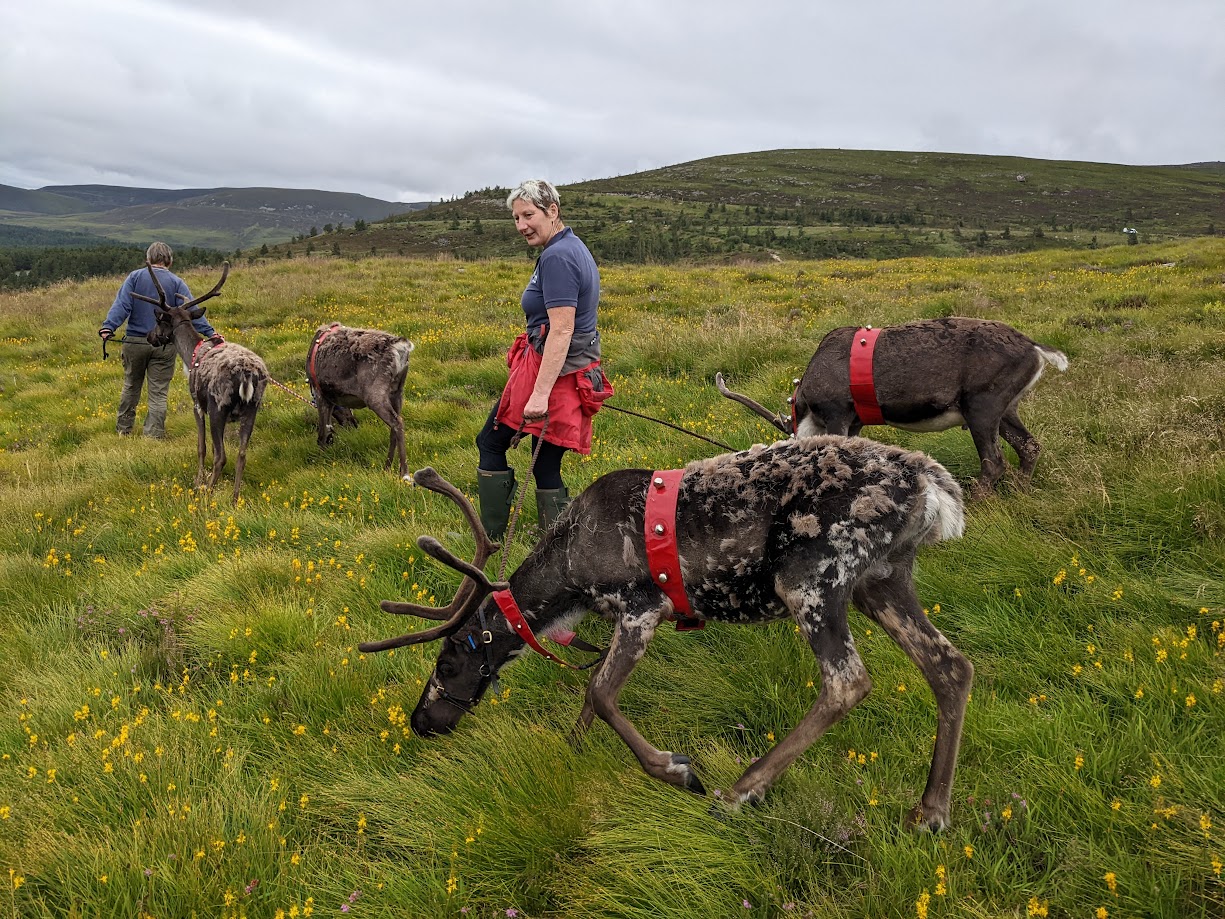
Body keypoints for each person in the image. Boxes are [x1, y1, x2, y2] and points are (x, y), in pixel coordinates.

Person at [475, 179, 613, 538]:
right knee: (546, 463)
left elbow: (562, 330)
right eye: (516, 218)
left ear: (552, 211)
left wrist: (538, 394)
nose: (521, 226)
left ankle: (491, 537)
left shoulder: (557, 257)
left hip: (551, 373)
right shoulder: (570, 246)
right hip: (571, 369)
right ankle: (556, 547)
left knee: (490, 443)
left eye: (528, 215)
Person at [99, 242, 221, 438]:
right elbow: (189, 313)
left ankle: (124, 430)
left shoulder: (135, 277)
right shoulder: (176, 282)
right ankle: (153, 436)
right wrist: (211, 333)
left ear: (148, 259)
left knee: (131, 386)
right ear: (170, 261)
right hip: (164, 346)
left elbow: (122, 305)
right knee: (158, 392)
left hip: (135, 344)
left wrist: (108, 327)